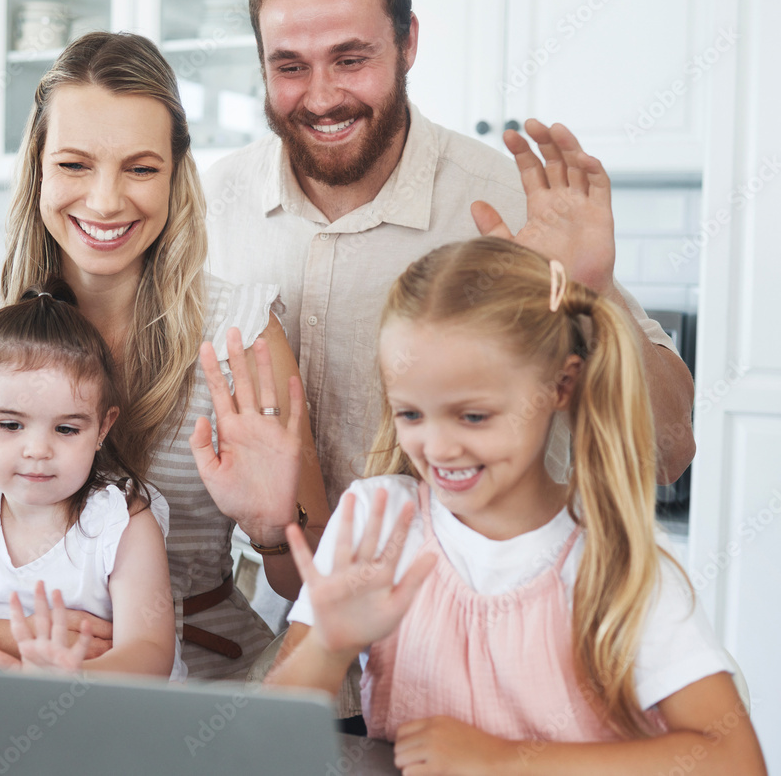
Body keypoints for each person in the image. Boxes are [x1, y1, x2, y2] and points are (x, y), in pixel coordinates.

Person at [0, 32, 331, 680]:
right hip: (5, 681)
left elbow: (307, 585)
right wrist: (25, 642)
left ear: (176, 178)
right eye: (74, 164)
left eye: (141, 168)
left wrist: (268, 524)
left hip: (203, 681)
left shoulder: (242, 335)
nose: (107, 200)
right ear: (38, 166)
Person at [203, 0, 696, 510]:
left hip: (482, 589)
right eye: (289, 67)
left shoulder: (509, 207)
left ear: (407, 42)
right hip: (283, 588)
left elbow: (667, 453)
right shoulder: (211, 206)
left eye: (350, 58)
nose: (322, 96)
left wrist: (592, 297)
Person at [265, 237, 766, 774]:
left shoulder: (615, 559)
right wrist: (332, 644)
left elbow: (733, 758)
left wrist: (504, 761)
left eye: (474, 417)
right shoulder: (379, 518)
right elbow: (270, 734)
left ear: (562, 385)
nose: (438, 447)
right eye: (411, 414)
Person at [0, 280, 183, 680]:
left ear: (102, 428)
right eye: (11, 424)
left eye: (66, 429)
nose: (37, 450)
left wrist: (72, 678)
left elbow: (150, 653)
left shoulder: (125, 522)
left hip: (103, 721)